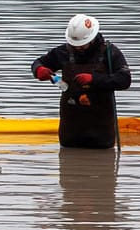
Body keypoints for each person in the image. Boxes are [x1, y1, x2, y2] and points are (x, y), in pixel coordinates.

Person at [31, 14, 132, 150]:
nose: (78, 48)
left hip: (101, 132)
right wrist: (39, 69)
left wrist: (94, 79)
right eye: (75, 45)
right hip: (70, 130)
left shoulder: (109, 52)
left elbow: (124, 79)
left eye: (82, 45)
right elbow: (39, 62)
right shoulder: (64, 52)